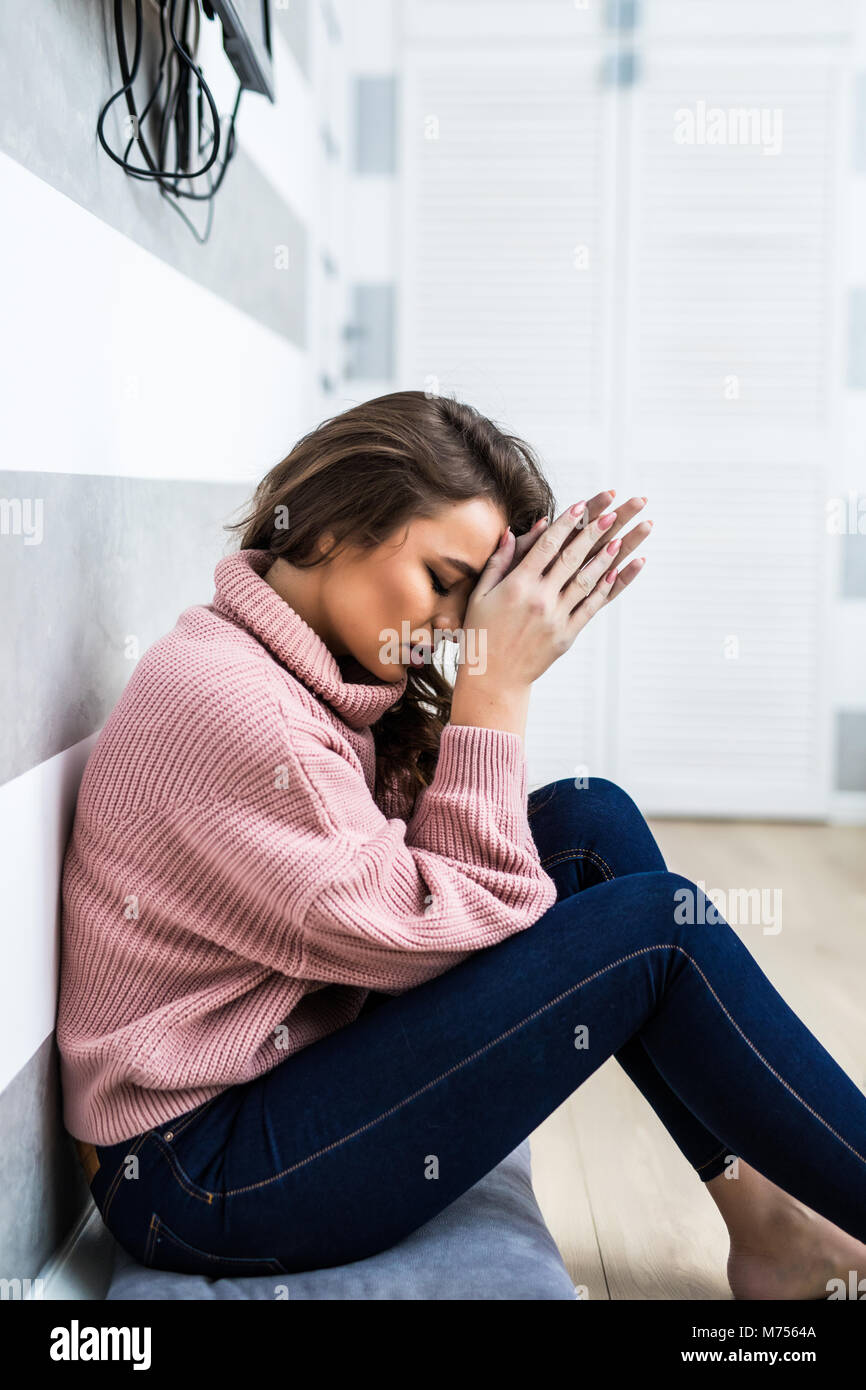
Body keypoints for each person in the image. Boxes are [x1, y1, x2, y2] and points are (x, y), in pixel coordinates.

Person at [57, 390, 866, 1299]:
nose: (451, 627)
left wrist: (491, 664)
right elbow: (435, 931)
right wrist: (495, 689)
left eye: (468, 598)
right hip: (196, 1171)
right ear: (330, 524)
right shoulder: (238, 710)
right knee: (657, 933)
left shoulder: (308, 668)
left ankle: (769, 1227)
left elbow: (437, 885)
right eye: (443, 580)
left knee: (589, 825)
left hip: (272, 1074)